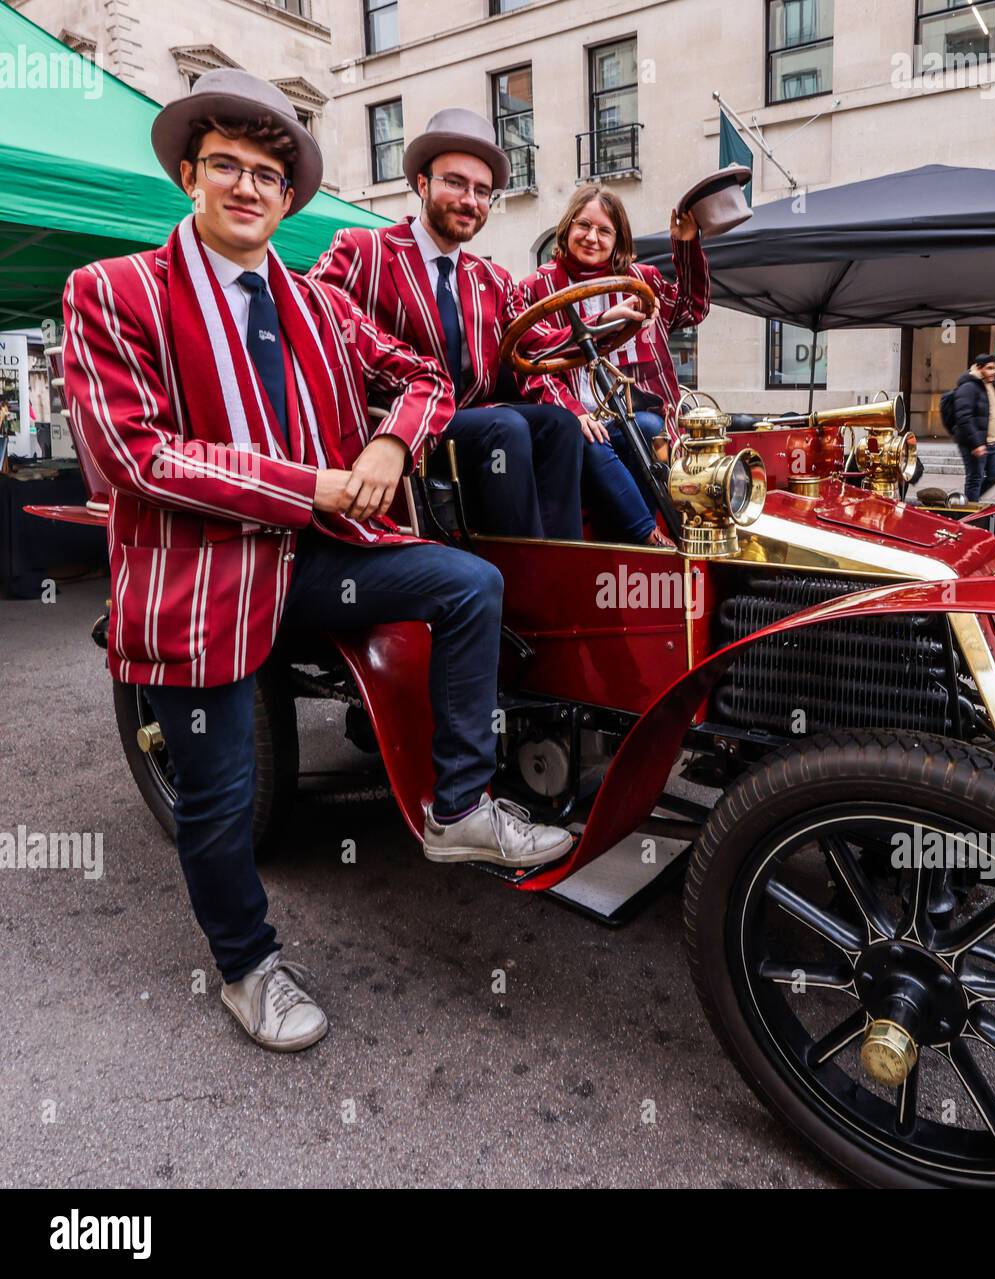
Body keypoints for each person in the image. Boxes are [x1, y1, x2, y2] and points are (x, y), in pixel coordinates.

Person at [61, 71, 574, 1054]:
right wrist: (314, 487)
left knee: (468, 583)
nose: (249, 188)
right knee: (217, 796)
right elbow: (136, 456)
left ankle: (458, 807)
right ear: (189, 176)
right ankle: (248, 969)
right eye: (227, 168)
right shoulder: (114, 290)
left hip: (311, 567)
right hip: (200, 583)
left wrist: (388, 449)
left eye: (268, 174)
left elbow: (421, 376)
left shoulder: (317, 304)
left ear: (289, 197)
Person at [312, 109, 582, 540]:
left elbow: (533, 346)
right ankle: (521, 573)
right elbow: (312, 327)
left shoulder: (491, 278)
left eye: (481, 191)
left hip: (470, 426)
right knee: (506, 427)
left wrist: (599, 330)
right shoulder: (364, 250)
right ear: (422, 184)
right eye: (455, 183)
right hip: (397, 428)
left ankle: (559, 564)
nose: (469, 200)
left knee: (561, 424)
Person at [517, 183, 711, 546]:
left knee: (653, 426)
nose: (592, 237)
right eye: (583, 226)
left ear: (618, 238)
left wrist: (686, 243)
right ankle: (644, 536)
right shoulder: (536, 288)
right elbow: (529, 362)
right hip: (577, 421)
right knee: (588, 437)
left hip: (632, 416)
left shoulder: (642, 282)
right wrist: (573, 411)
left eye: (604, 230)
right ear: (567, 229)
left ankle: (654, 527)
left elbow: (691, 308)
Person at [949, 352, 995, 502]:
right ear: (979, 368)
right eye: (990, 368)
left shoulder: (990, 385)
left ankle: (967, 503)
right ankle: (968, 512)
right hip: (974, 444)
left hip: (992, 443)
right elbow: (963, 417)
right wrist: (976, 444)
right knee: (975, 478)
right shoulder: (968, 387)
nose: (994, 371)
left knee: (994, 476)